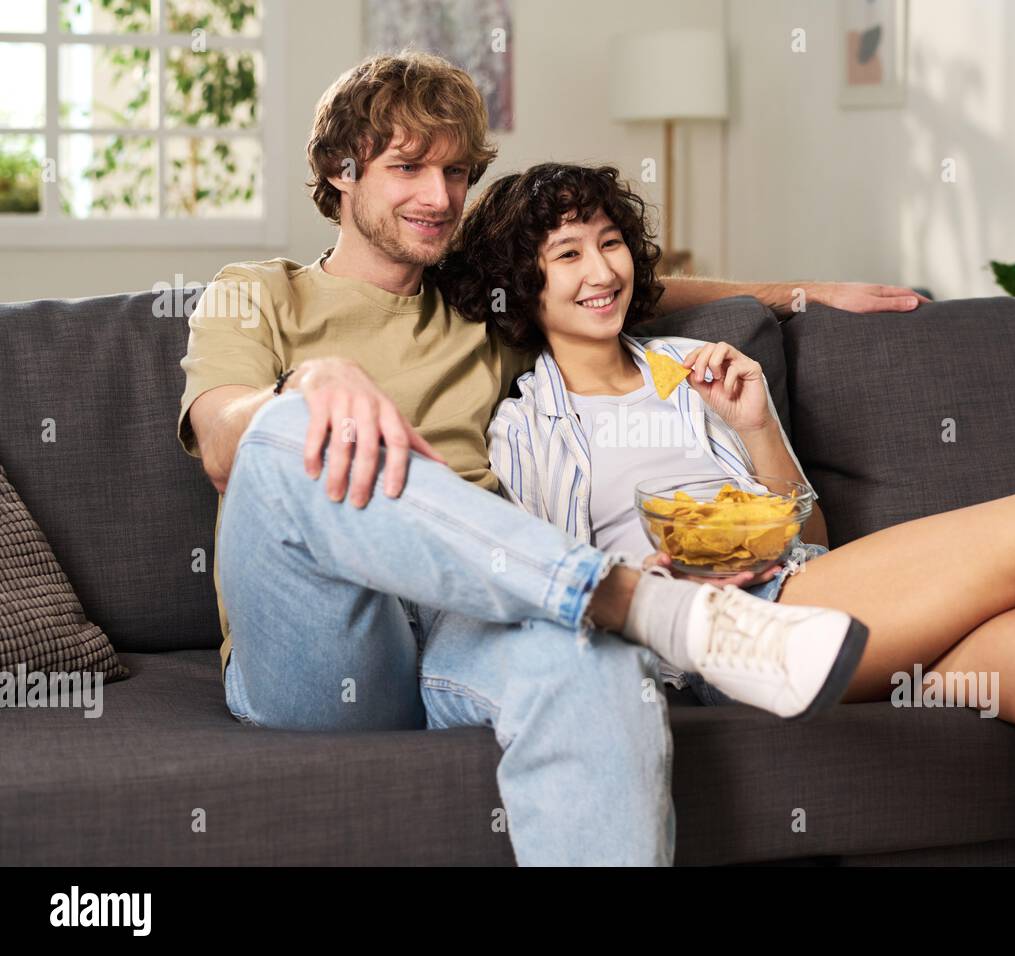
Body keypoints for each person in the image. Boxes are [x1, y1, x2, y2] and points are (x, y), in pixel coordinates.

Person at [176, 52, 916, 865]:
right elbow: (222, 442)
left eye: (456, 171)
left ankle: (622, 614)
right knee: (286, 429)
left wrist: (803, 295)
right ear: (338, 171)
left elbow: (626, 288)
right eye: (407, 166)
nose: (438, 196)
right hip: (323, 642)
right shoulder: (257, 292)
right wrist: (308, 384)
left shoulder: (480, 305)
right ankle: (637, 602)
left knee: (596, 665)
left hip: (474, 615)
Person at [457, 161, 1015, 868]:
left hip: (805, 594)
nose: (600, 272)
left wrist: (755, 428)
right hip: (720, 641)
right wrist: (643, 582)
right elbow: (555, 584)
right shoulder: (527, 425)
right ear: (524, 288)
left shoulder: (689, 366)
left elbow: (810, 537)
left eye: (608, 244)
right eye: (566, 254)